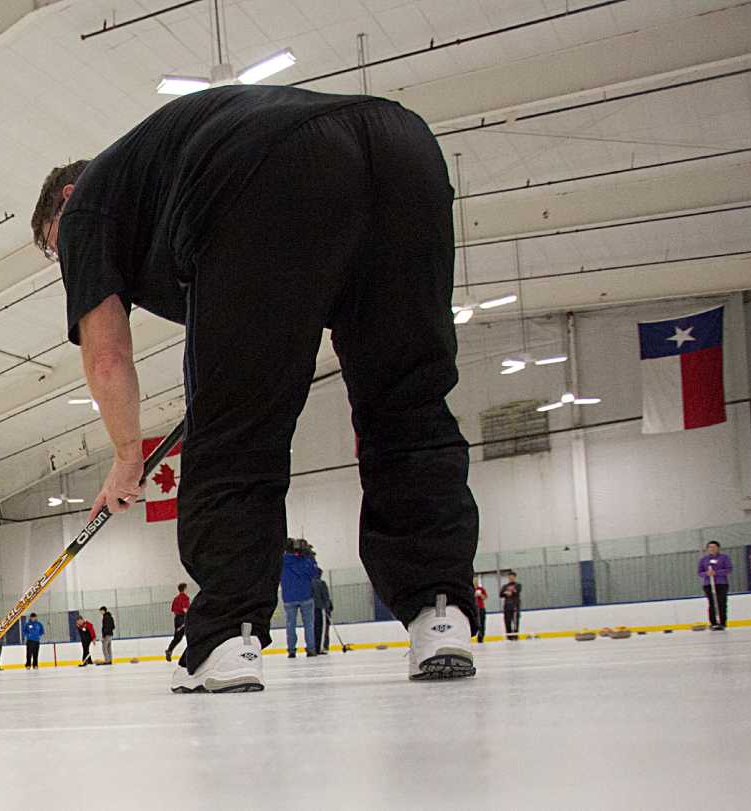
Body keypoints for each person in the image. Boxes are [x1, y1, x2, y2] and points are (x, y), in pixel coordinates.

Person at [37, 84, 480, 693]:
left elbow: (107, 356)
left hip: (272, 168)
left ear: (66, 198)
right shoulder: (152, 182)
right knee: (407, 398)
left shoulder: (89, 204)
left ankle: (227, 639)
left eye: (57, 247)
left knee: (238, 428)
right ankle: (441, 613)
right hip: (405, 149)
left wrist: (125, 457)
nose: (70, 264)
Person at [279, 541, 320, 658]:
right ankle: (311, 649)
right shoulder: (306, 560)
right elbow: (315, 574)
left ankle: (291, 650)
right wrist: (311, 558)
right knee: (309, 624)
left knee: (290, 624)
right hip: (305, 595)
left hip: (289, 596)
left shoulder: (282, 561)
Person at [697, 542, 733, 630]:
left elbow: (728, 569)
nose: (712, 549)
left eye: (714, 547)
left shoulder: (724, 558)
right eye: (710, 547)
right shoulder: (704, 559)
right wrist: (707, 573)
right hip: (708, 584)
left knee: (721, 602)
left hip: (721, 583)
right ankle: (713, 623)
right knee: (712, 603)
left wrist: (716, 573)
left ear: (718, 548)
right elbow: (700, 572)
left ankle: (722, 622)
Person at [164, 583, 192, 662]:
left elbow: (173, 610)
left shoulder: (176, 598)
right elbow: (185, 609)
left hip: (177, 619)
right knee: (191, 635)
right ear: (185, 589)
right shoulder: (185, 597)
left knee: (177, 637)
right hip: (183, 619)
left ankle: (169, 650)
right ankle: (191, 653)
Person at [310, 573, 333, 657]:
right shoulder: (321, 583)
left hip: (311, 609)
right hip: (321, 609)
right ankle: (322, 647)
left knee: (314, 629)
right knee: (323, 629)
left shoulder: (307, 583)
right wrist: (328, 608)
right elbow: (326, 597)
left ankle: (314, 647)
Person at [499, 571, 523, 640]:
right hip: (507, 606)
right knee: (507, 621)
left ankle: (515, 636)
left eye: (512, 577)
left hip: (515, 606)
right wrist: (508, 592)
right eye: (510, 577)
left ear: (515, 577)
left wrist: (509, 592)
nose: (511, 578)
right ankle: (509, 636)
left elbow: (516, 591)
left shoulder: (518, 585)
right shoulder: (505, 586)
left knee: (515, 622)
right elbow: (501, 594)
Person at [472, 578, 488, 643]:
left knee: (482, 623)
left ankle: (481, 637)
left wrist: (480, 595)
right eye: (474, 581)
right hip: (474, 609)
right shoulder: (471, 589)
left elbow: (485, 597)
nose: (476, 582)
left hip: (481, 608)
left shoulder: (481, 589)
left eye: (476, 581)